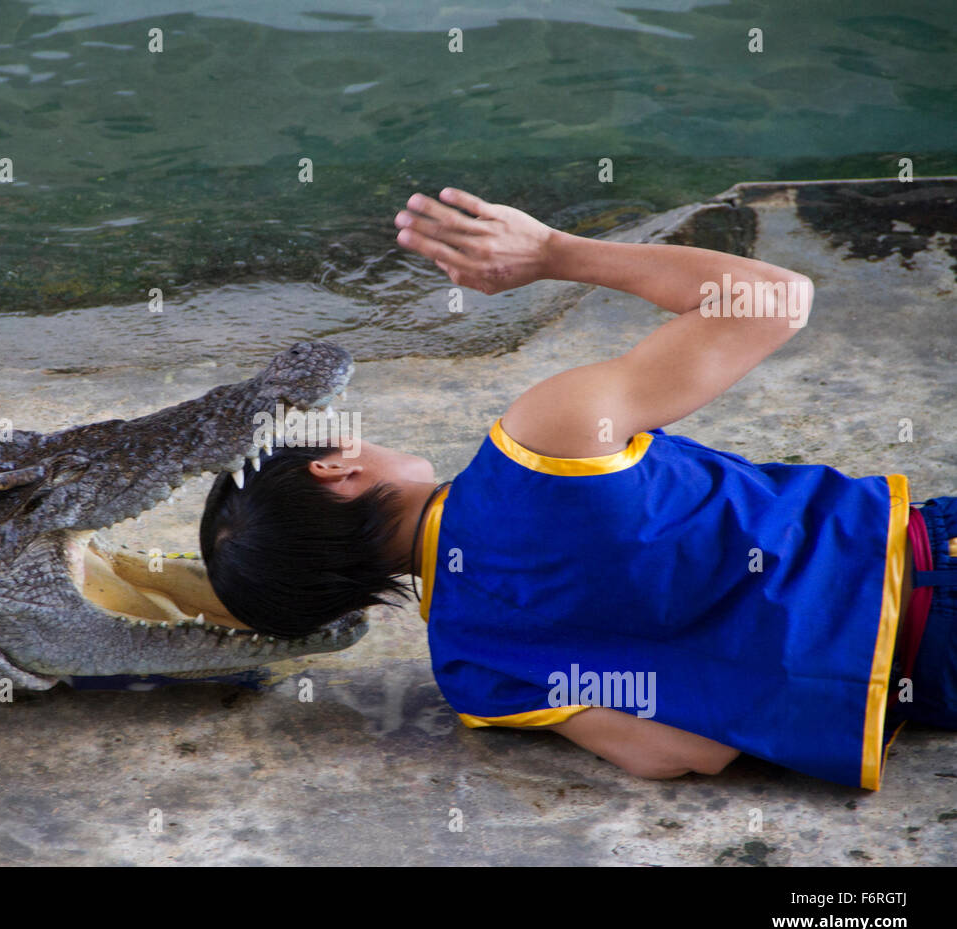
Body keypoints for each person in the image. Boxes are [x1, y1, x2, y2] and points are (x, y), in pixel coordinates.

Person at [200, 188, 956, 790]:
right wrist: (557, 254)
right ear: (333, 472)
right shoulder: (542, 444)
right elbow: (773, 299)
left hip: (930, 685)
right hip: (932, 564)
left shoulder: (473, 670)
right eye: (335, 441)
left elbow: (686, 753)